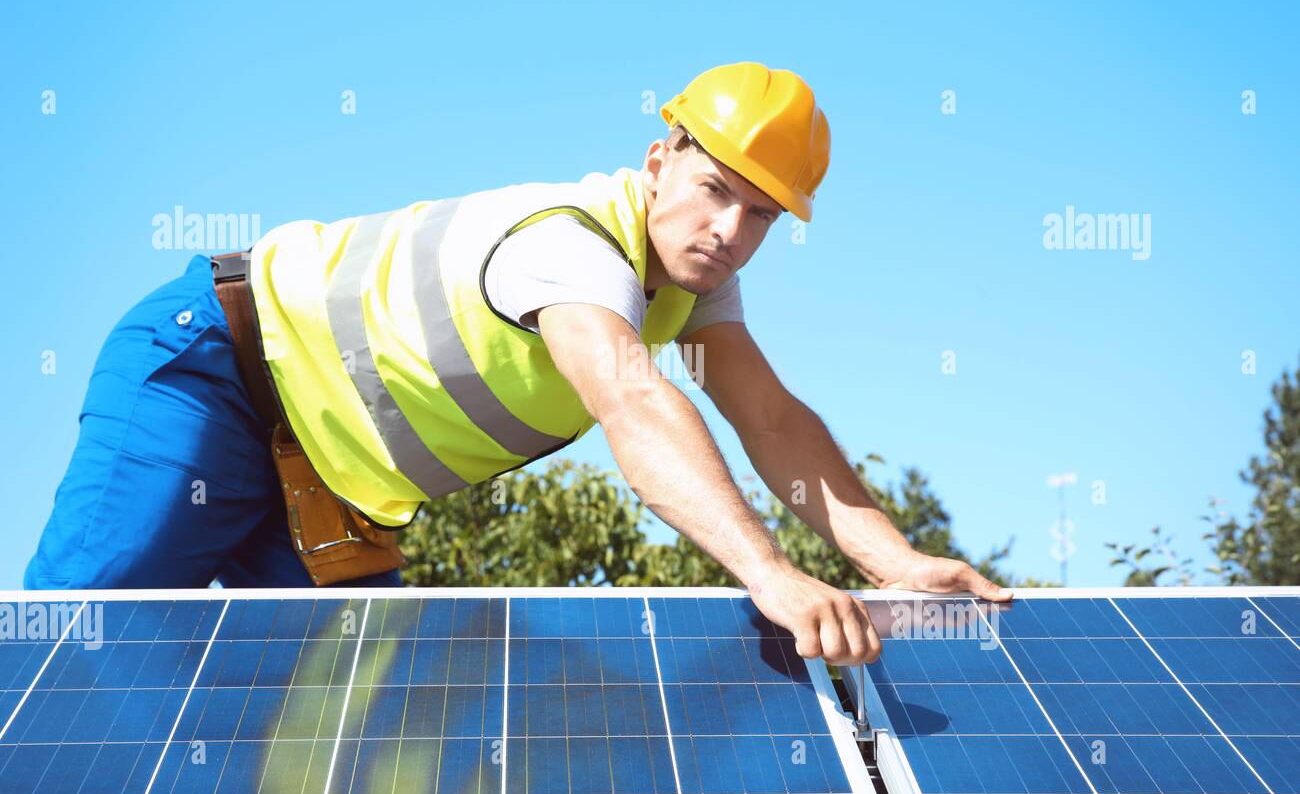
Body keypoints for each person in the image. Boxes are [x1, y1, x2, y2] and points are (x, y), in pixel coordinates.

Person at [25, 61, 1011, 664]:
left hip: (328, 493)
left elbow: (772, 419)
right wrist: (770, 573)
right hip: (218, 373)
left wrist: (895, 560)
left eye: (760, 215)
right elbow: (629, 393)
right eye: (715, 189)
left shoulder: (691, 285)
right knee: (78, 662)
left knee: (335, 741)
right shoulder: (570, 242)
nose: (728, 230)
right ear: (658, 159)